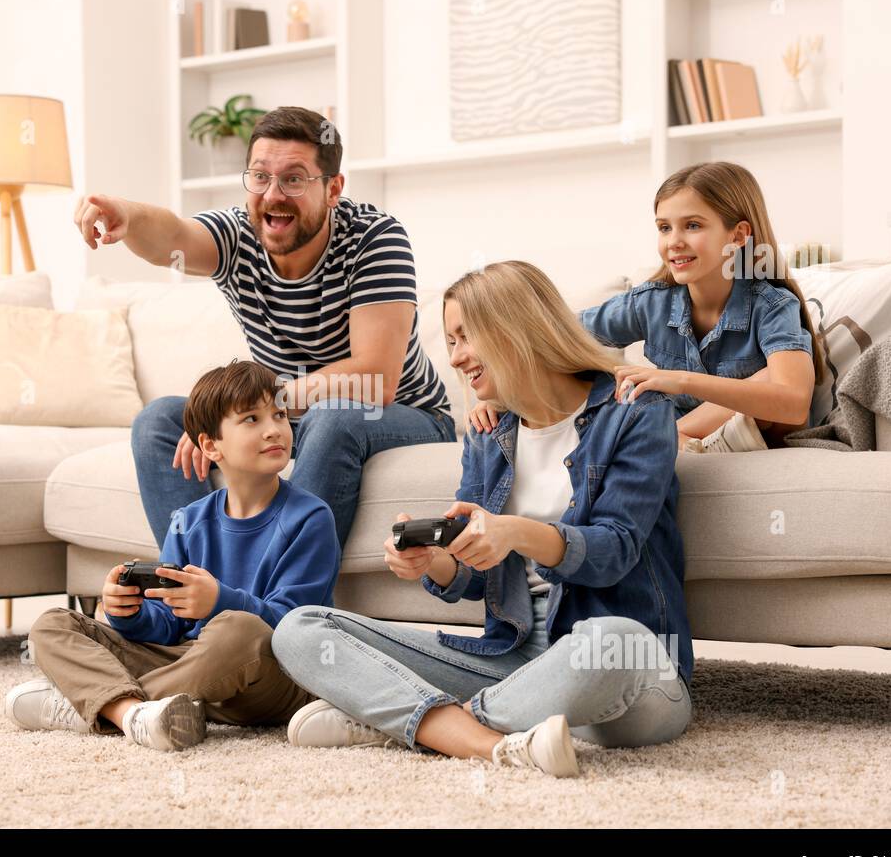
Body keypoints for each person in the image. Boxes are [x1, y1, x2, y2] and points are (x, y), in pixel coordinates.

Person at [272, 261, 693, 777]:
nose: (455, 358)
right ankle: (480, 733)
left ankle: (422, 725)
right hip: (511, 655)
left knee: (613, 641)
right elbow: (475, 579)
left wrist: (513, 531)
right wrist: (437, 563)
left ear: (518, 326)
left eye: (465, 337)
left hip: (620, 676)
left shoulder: (635, 411)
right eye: (449, 341)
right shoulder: (489, 434)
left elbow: (613, 551)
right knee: (299, 627)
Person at [73, 105, 454, 550]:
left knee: (331, 418)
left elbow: (375, 379)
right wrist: (128, 214)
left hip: (401, 415)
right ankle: (197, 590)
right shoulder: (238, 235)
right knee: (159, 420)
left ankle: (285, 600)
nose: (273, 194)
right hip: (289, 419)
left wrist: (249, 408)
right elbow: (173, 238)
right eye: (260, 176)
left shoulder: (374, 237)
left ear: (333, 189)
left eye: (293, 179)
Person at [7, 361, 338, 752]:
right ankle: (137, 712)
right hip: (193, 668)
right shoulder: (188, 521)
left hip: (268, 675)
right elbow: (166, 625)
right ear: (211, 446)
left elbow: (295, 629)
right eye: (251, 418)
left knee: (236, 629)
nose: (273, 429)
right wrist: (126, 614)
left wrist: (219, 601)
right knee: (52, 625)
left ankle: (101, 705)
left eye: (279, 415)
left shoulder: (311, 517)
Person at [467, 161, 821, 454]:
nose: (674, 242)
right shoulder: (652, 302)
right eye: (664, 228)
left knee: (770, 380)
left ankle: (672, 439)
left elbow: (793, 404)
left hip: (753, 438)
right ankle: (672, 441)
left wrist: (680, 381)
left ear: (738, 235)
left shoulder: (772, 306)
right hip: (672, 434)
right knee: (592, 375)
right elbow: (552, 339)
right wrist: (499, 398)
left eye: (693, 225)